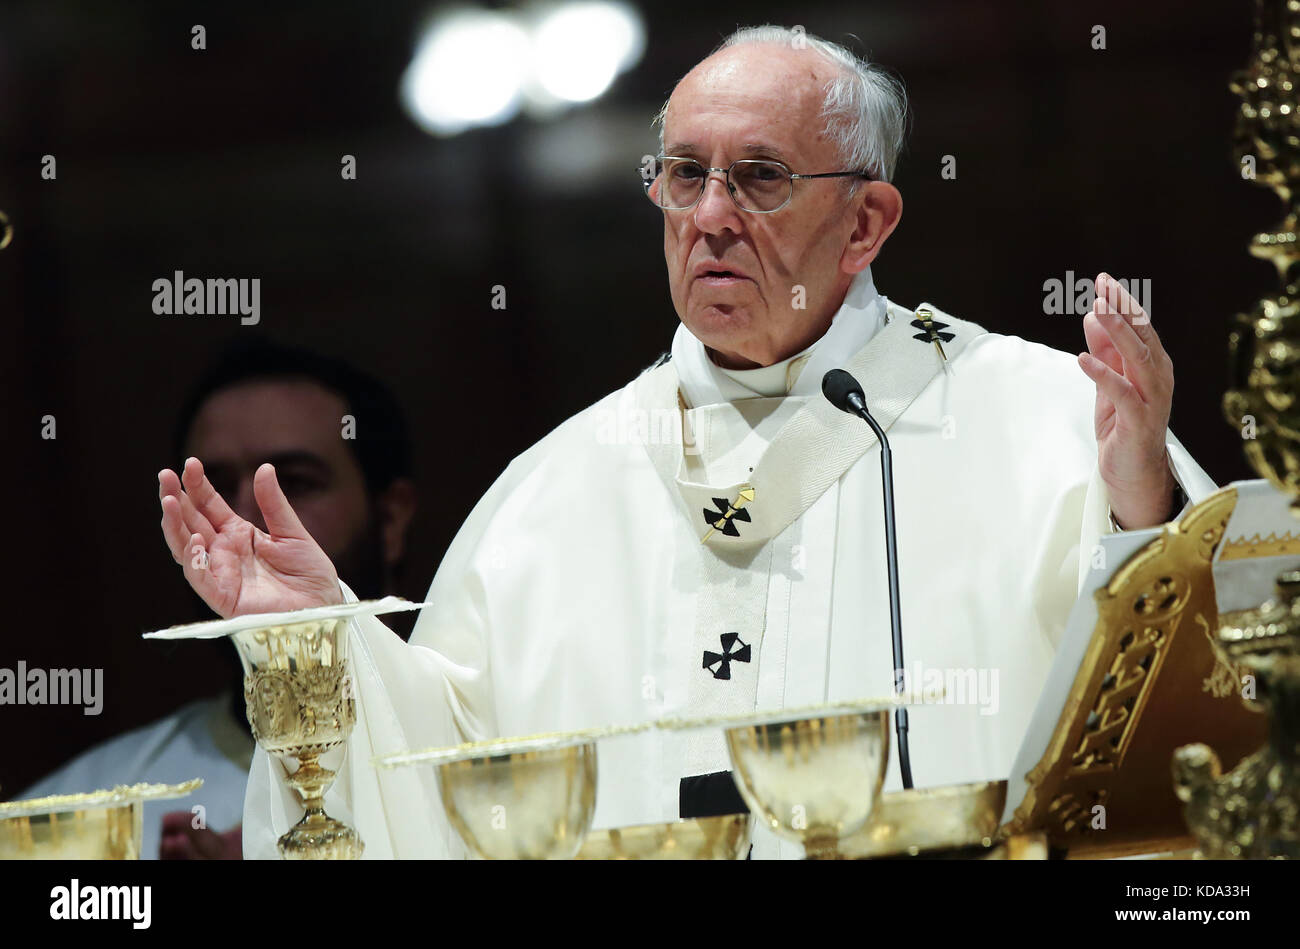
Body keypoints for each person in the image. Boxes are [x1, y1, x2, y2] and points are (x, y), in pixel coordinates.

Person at [158, 26, 1215, 859]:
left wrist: (1142, 517)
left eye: (759, 177)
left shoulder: (1043, 419)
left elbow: (1194, 729)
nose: (710, 215)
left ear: (865, 224)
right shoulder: (553, 493)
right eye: (682, 174)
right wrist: (320, 644)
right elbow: (442, 783)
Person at [23, 340, 416, 859]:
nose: (245, 519)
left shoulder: (481, 760)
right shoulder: (72, 822)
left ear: (390, 519)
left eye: (294, 483)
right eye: (216, 488)